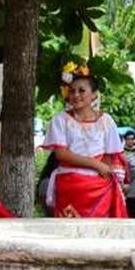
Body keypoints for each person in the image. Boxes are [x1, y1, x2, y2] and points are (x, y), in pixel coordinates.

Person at [42, 62, 127, 218]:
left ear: (94, 94)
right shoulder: (60, 119)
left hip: (100, 186)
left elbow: (111, 156)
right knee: (69, 234)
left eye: (82, 90)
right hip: (70, 184)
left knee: (100, 233)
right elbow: (61, 154)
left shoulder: (106, 120)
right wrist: (96, 164)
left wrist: (107, 174)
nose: (76, 95)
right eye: (72, 91)